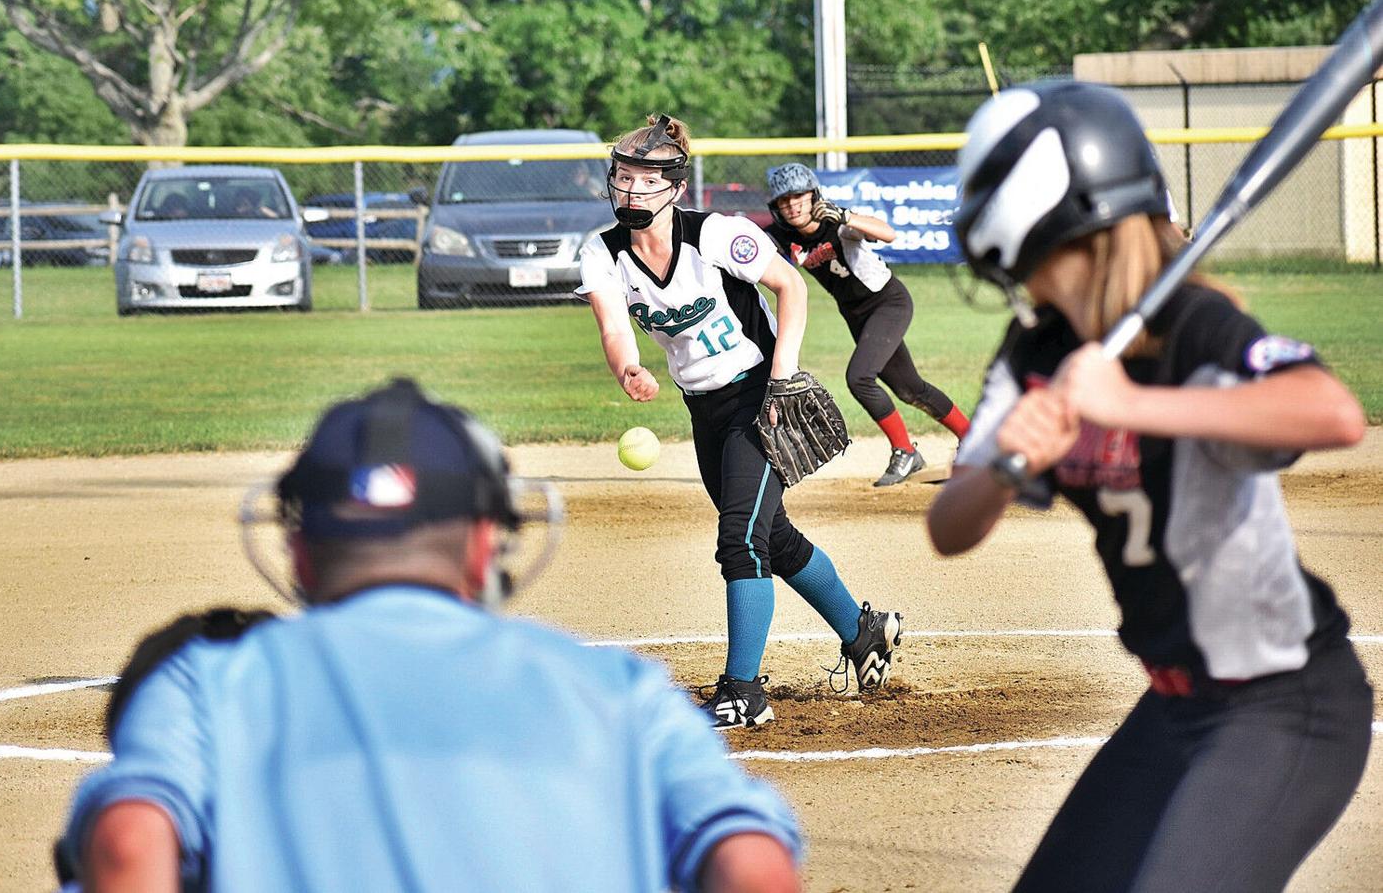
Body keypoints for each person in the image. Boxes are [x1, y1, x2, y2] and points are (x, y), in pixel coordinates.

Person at [57, 379, 803, 892]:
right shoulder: (624, 694)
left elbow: (129, 843)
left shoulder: (202, 683)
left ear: (298, 550)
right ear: (485, 546)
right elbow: (755, 866)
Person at [927, 80, 1373, 892]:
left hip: (1286, 705)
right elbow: (949, 528)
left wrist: (1132, 403)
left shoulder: (1195, 325)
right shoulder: (1037, 351)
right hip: (1175, 707)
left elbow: (1333, 413)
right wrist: (996, 472)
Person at [577, 114, 903, 729]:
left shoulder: (716, 235)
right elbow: (615, 327)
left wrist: (783, 374)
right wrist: (628, 370)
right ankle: (863, 631)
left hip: (759, 394)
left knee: (742, 541)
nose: (631, 190)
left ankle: (744, 691)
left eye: (646, 180)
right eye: (623, 177)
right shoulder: (603, 252)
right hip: (705, 409)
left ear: (674, 186)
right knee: (771, 537)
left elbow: (791, 287)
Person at [762, 163, 970, 486]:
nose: (792, 205)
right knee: (909, 387)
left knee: (859, 378)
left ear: (813, 194)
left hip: (888, 303)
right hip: (856, 315)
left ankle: (905, 451)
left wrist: (845, 216)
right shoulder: (781, 237)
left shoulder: (836, 222)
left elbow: (887, 233)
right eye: (783, 201)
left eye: (798, 196)